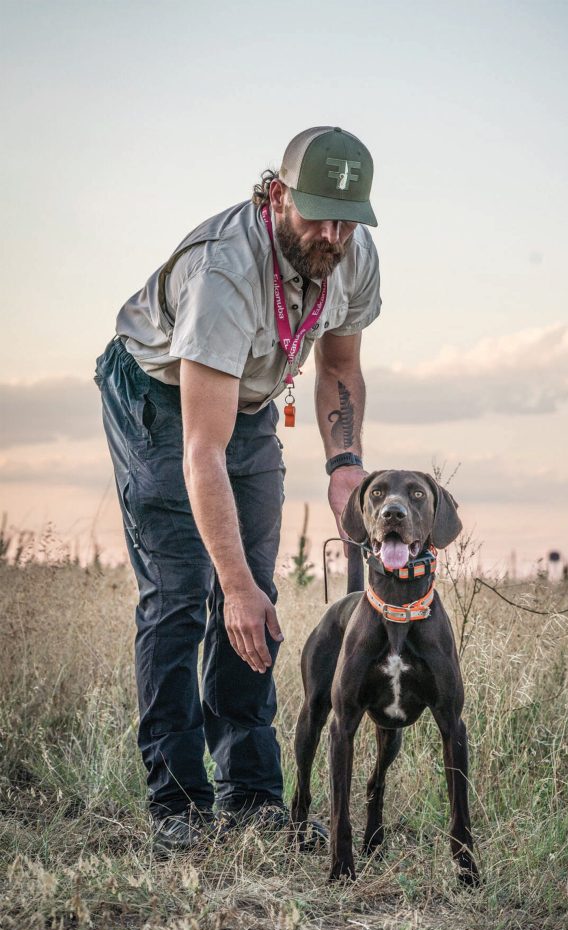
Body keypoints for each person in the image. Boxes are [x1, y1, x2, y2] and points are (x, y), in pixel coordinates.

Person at [94, 126, 380, 855]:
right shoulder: (224, 271)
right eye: (315, 214)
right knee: (186, 594)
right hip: (161, 401)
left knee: (257, 599)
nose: (331, 233)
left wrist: (344, 460)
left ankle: (251, 797)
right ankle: (178, 803)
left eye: (346, 219)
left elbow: (339, 362)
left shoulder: (352, 252)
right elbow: (201, 450)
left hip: (250, 400)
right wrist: (238, 584)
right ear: (275, 193)